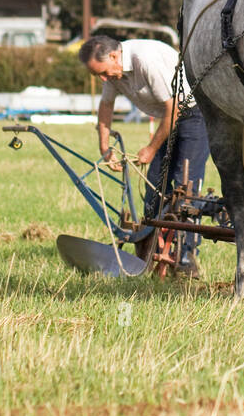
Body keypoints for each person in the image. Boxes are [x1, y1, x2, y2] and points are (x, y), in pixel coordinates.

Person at [77, 34, 208, 274]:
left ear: (115, 56)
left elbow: (175, 107)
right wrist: (105, 148)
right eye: (98, 76)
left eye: (103, 72)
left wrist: (151, 148)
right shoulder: (113, 72)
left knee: (184, 189)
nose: (104, 79)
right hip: (168, 117)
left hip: (193, 112)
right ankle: (148, 253)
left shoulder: (145, 61)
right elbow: (106, 106)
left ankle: (186, 257)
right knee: (155, 188)